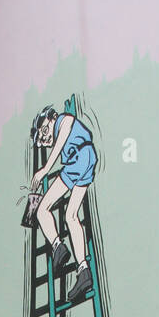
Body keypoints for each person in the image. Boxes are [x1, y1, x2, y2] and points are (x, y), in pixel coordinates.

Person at [30, 104, 98, 305]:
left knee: (42, 209)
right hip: (83, 161)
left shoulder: (65, 120)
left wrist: (45, 169)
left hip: (79, 159)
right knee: (71, 216)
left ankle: (58, 246)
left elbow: (60, 141)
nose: (45, 138)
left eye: (44, 130)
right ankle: (83, 270)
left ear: (52, 118)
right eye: (42, 140)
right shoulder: (61, 129)